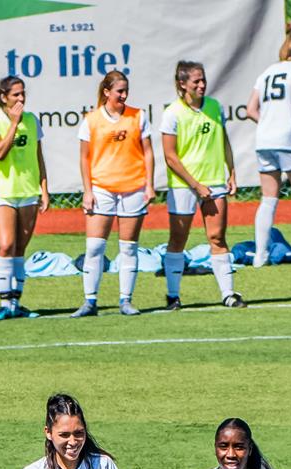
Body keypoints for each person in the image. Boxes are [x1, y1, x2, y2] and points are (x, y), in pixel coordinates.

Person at [72, 70, 155, 318]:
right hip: (102, 189)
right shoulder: (91, 120)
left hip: (133, 188)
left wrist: (149, 185)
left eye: (126, 90)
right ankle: (90, 301)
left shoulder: (138, 116)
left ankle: (125, 301)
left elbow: (148, 152)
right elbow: (84, 158)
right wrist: (88, 191)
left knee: (128, 248)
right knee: (94, 247)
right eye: (119, 91)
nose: (124, 95)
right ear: (107, 92)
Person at [160, 61, 243, 310]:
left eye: (203, 79)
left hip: (214, 181)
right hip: (183, 186)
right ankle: (173, 295)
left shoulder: (215, 107)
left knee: (217, 237)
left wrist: (232, 171)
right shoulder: (172, 113)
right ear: (182, 84)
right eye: (196, 81)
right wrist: (195, 185)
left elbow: (224, 141)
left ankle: (228, 294)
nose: (201, 85)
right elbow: (170, 156)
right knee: (178, 239)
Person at [0, 76, 47, 321]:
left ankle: (16, 303)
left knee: (20, 248)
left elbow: (38, 156)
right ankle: (4, 302)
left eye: (22, 93)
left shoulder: (32, 120)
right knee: (6, 245)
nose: (21, 98)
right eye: (15, 94)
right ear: (3, 96)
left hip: (28, 192)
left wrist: (44, 188)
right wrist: (14, 123)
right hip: (3, 192)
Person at [245, 33, 291, 268]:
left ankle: (260, 255)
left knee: (268, 199)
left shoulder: (266, 73)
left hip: (264, 139)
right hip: (287, 139)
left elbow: (250, 109)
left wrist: (267, 123)